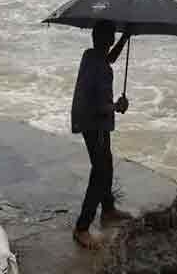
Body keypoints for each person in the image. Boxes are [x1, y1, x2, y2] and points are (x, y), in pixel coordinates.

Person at [70, 20, 133, 249]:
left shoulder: (91, 56)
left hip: (88, 120)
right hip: (93, 122)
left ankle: (108, 209)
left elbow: (109, 59)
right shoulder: (102, 70)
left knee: (106, 164)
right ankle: (82, 228)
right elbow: (99, 106)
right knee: (100, 171)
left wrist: (126, 37)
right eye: (114, 36)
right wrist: (118, 106)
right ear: (109, 40)